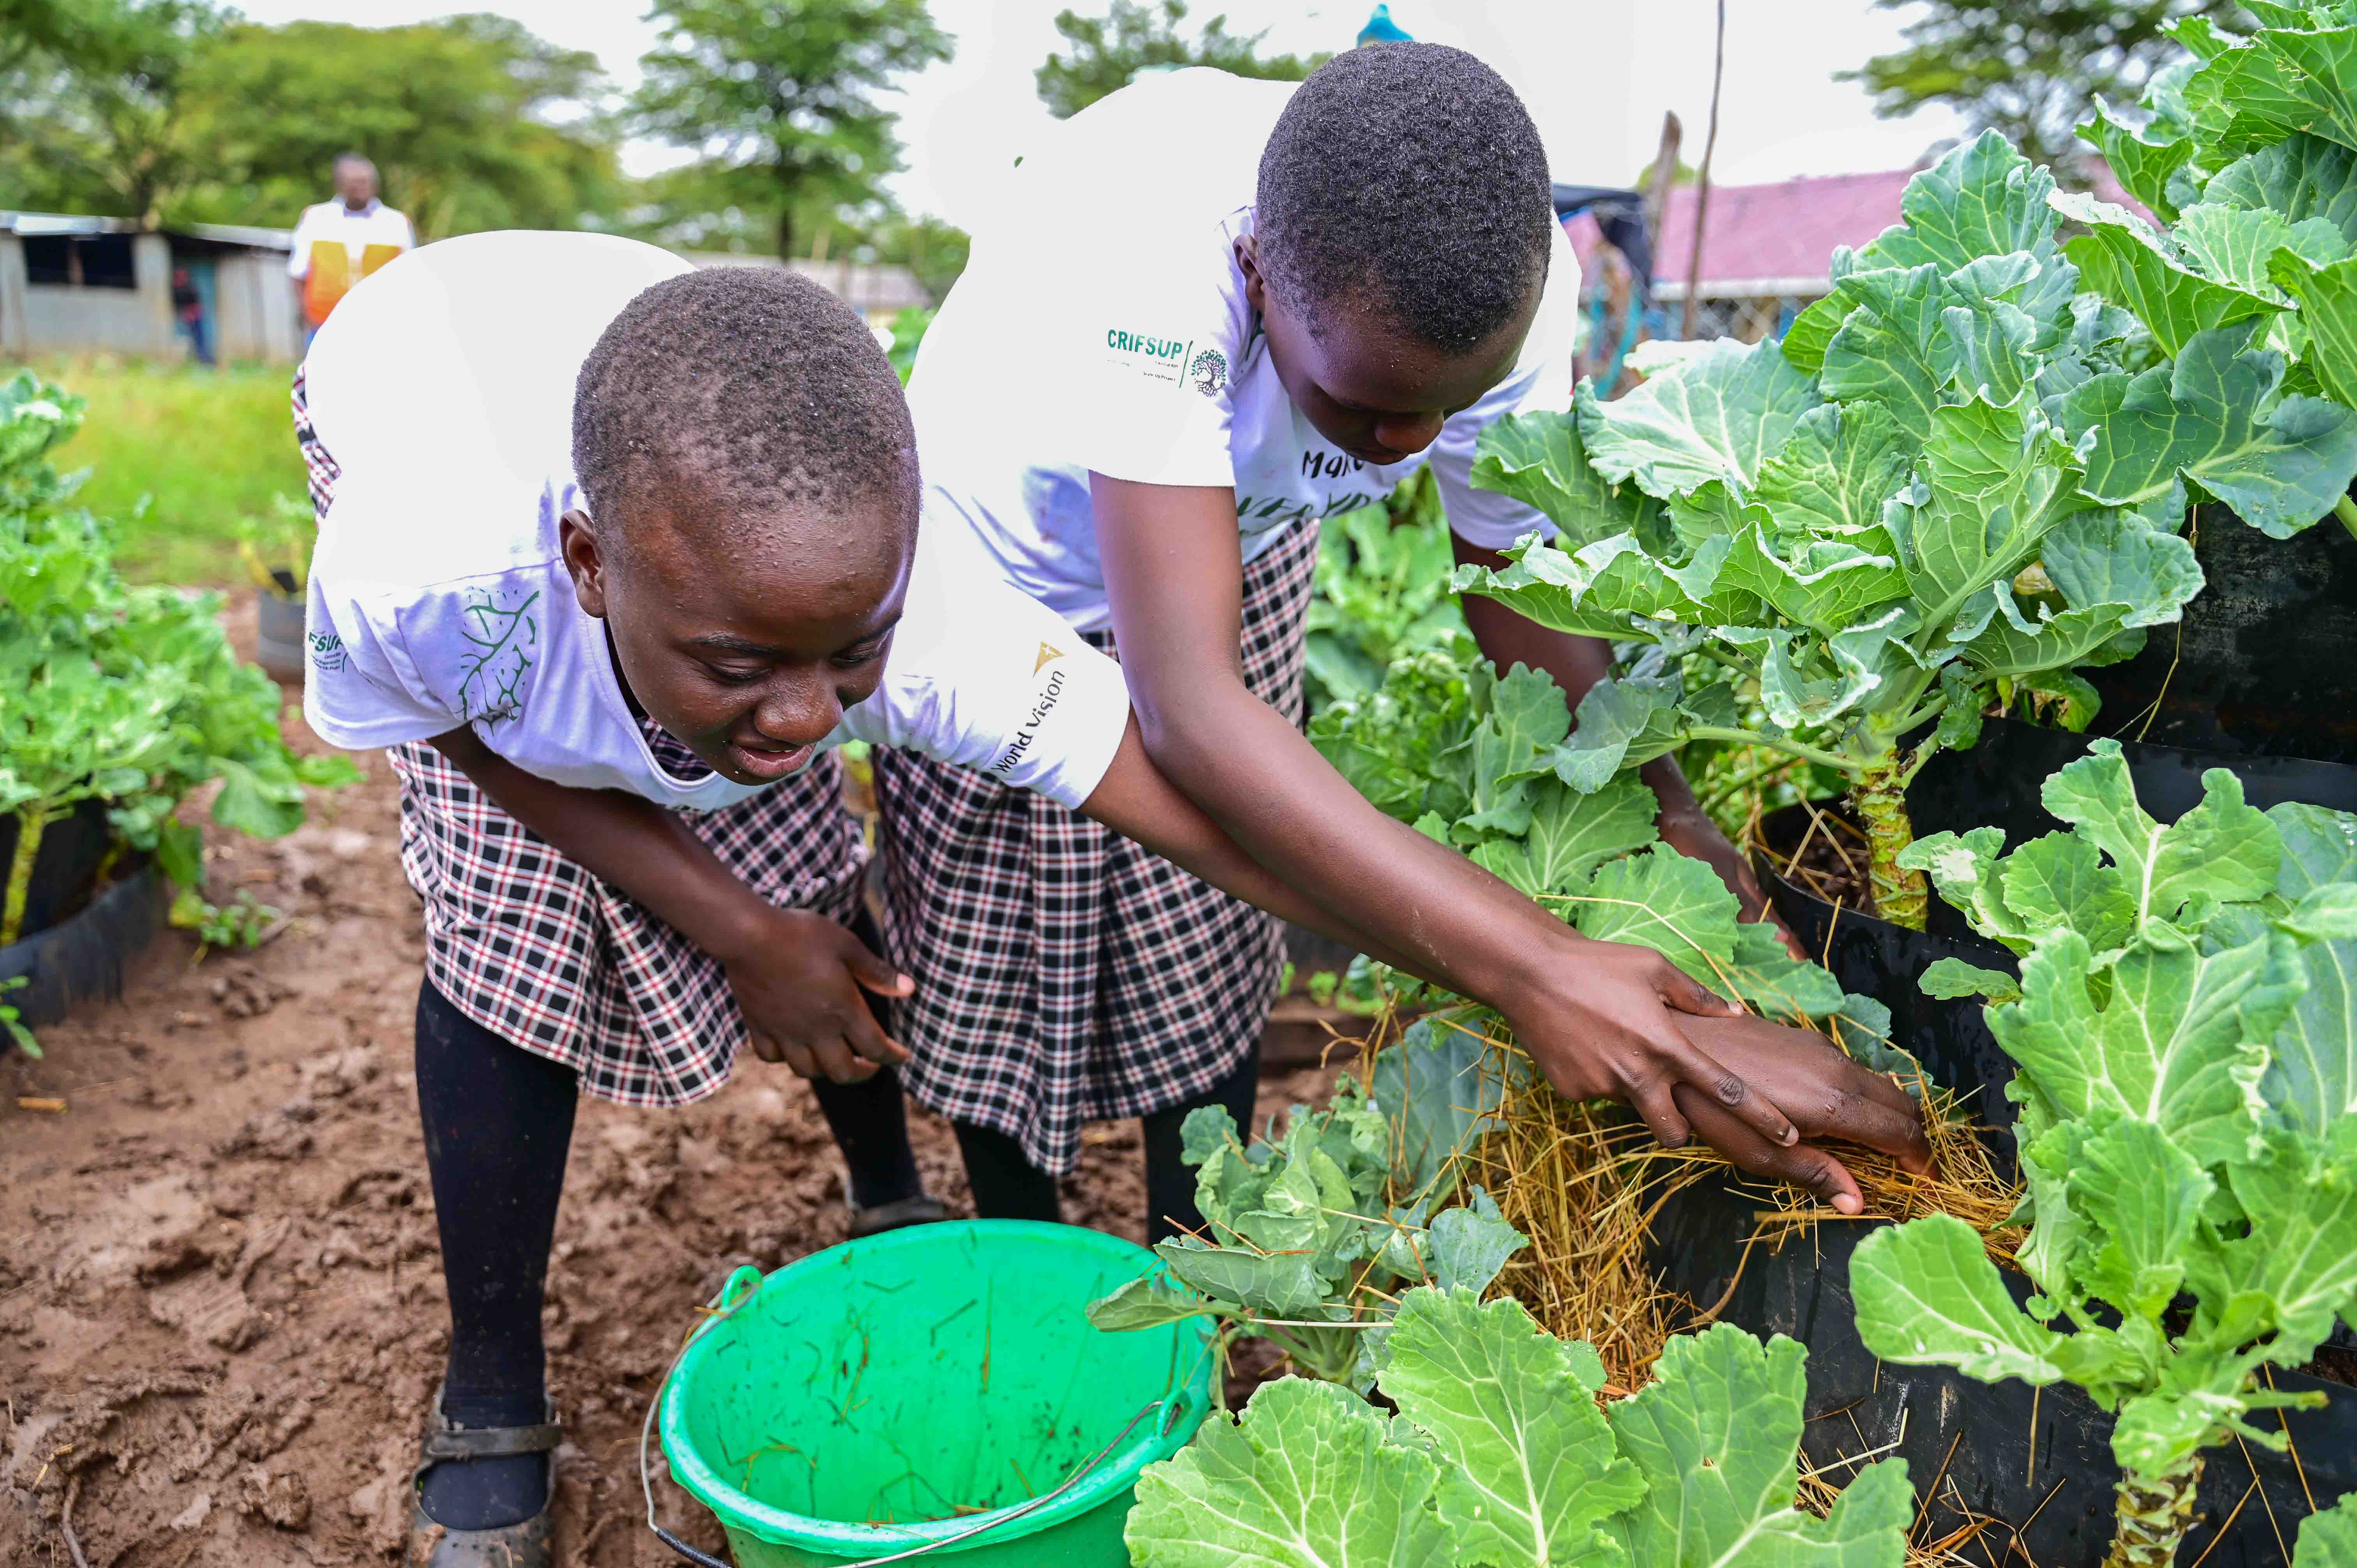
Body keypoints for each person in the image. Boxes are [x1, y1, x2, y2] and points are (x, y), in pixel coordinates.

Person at [297, 231, 1418, 1566]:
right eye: (742, 660)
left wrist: (1494, 959)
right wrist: (733, 929)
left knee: (800, 856)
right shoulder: (424, 581)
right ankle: (490, 1391)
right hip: (420, 362)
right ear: (591, 565)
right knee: (507, 939)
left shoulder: (910, 617)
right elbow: (465, 728)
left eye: (855, 654)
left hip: (678, 451)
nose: (804, 714)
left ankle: (887, 1195)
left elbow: (1186, 818)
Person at [884, 44, 1926, 1226]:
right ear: (1255, 274)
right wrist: (1539, 970)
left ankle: (1192, 1245)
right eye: (1369, 410)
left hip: (1239, 527)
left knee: (1214, 942)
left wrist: (1676, 823)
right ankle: (1018, 1254)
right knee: (993, 972)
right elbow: (1192, 712)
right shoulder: (1154, 252)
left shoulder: (1488, 278)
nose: (1405, 446)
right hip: (1002, 562)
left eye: (1445, 409)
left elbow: (1519, 593)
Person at [288, 152, 413, 342]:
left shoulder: (396, 222)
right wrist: (304, 313)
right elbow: (299, 272)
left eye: (366, 182)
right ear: (339, 184)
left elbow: (410, 276)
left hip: (381, 324)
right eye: (354, 182)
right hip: (324, 323)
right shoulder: (315, 217)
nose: (361, 187)